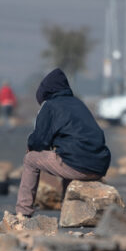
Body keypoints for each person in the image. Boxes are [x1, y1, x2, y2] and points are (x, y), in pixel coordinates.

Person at [15, 68, 110, 218]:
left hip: (78, 165)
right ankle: (69, 211)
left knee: (30, 159)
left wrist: (30, 144)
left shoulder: (50, 106)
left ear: (44, 93)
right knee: (67, 153)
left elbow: (40, 141)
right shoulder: (78, 103)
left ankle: (23, 211)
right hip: (99, 165)